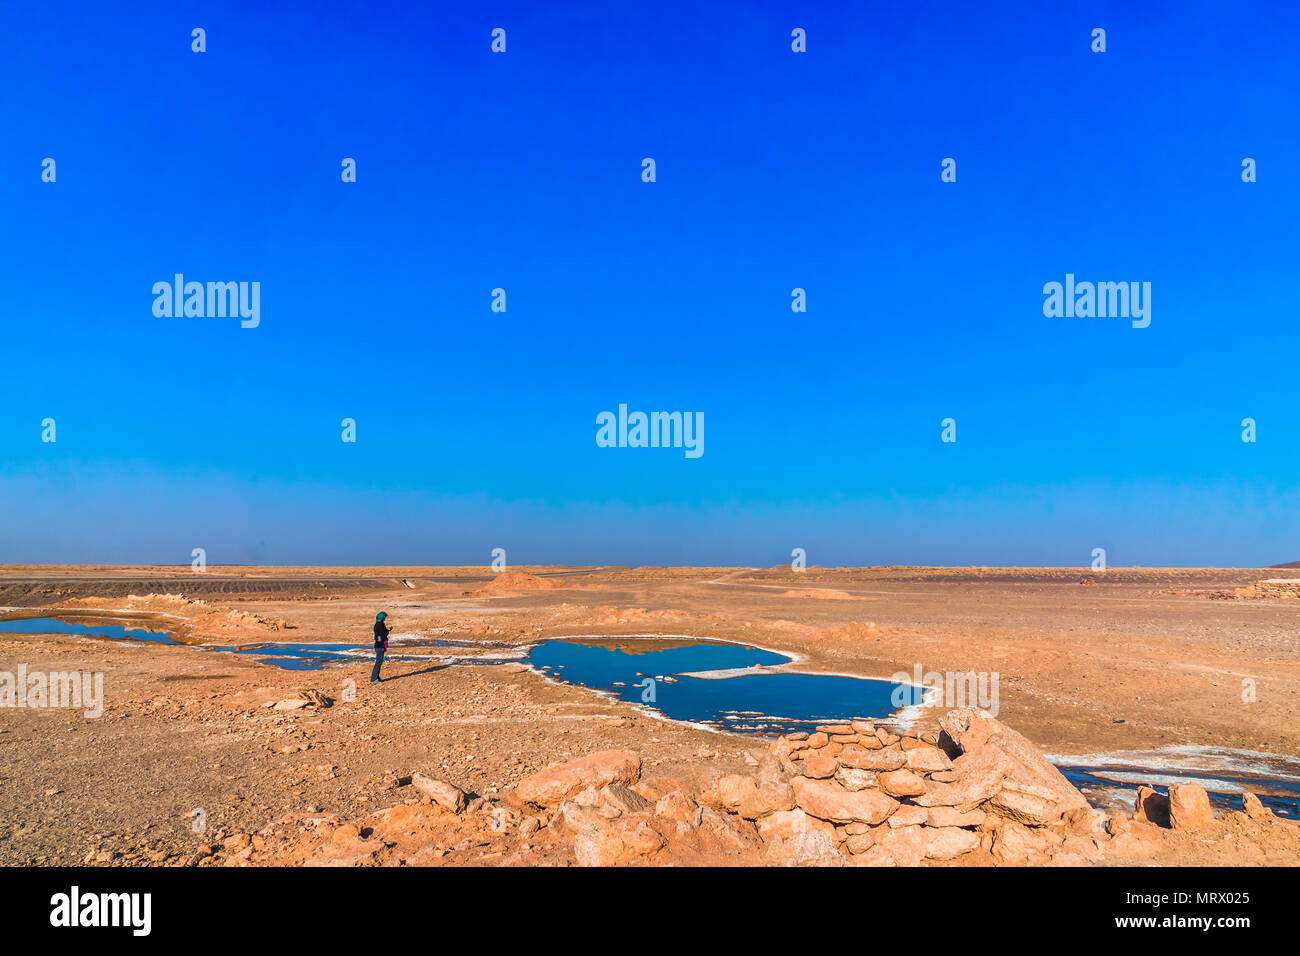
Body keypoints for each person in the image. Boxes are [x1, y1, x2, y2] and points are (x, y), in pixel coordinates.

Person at [371, 611, 391, 683]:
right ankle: (374, 679)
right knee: (378, 662)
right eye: (384, 617)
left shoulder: (377, 624)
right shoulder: (380, 625)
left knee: (379, 661)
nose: (385, 619)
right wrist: (388, 630)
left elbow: (379, 635)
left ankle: (376, 677)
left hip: (378, 645)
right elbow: (382, 634)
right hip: (380, 646)